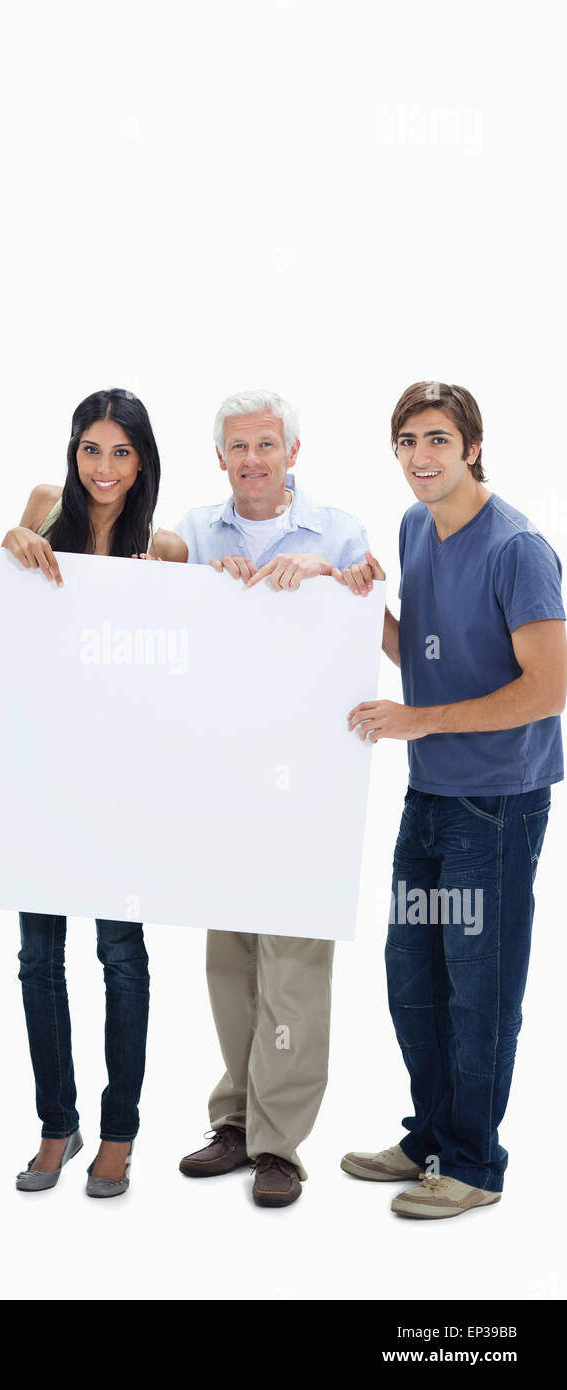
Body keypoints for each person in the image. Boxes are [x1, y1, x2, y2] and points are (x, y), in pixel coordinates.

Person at [341, 381, 566, 1218]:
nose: (420, 458)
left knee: (480, 988)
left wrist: (416, 721)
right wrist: (363, 604)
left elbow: (547, 691)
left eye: (437, 439)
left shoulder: (518, 549)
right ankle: (431, 1136)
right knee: (415, 978)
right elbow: (426, 657)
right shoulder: (413, 527)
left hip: (497, 808)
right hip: (429, 794)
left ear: (472, 445)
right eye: (406, 442)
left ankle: (474, 1166)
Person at [176, 389, 373, 1207]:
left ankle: (280, 1144)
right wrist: (204, 589)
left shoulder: (337, 530)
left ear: (293, 452)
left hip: (308, 776)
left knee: (293, 959)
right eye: (237, 447)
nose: (252, 459)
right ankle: (235, 1119)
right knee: (231, 957)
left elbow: (368, 621)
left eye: (267, 445)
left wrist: (327, 576)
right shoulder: (192, 533)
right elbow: (162, 634)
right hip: (222, 770)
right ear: (219, 458)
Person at [2, 387, 186, 1198]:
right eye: (90, 450)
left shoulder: (168, 548)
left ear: (141, 460)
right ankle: (56, 1125)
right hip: (39, 773)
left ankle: (119, 1132)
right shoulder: (44, 509)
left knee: (121, 958)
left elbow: (188, 664)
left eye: (120, 452)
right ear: (72, 454)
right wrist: (8, 541)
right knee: (39, 958)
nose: (103, 468)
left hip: (123, 787)